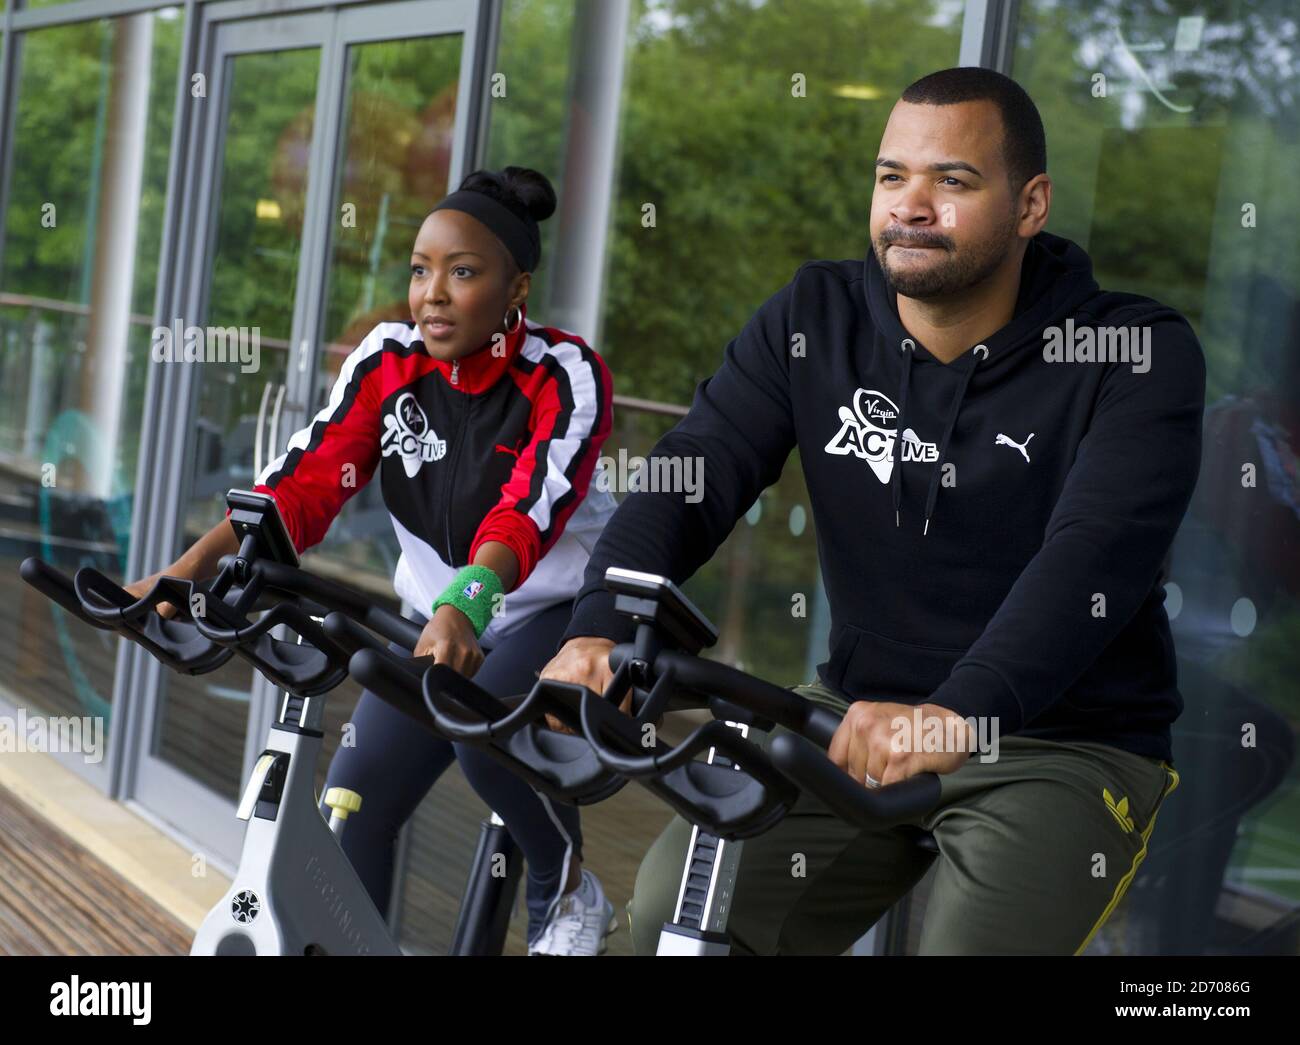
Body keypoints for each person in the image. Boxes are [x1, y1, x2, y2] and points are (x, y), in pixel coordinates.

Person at [541, 68, 1206, 955]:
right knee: (672, 913)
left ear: (1032, 203)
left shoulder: (1133, 352)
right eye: (893, 177)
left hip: (1057, 742)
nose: (911, 206)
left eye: (953, 181)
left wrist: (957, 713)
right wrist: (604, 622)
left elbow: (1095, 555)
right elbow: (690, 472)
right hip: (853, 716)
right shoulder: (814, 316)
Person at [129, 166, 620, 956]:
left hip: (550, 610)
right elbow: (304, 481)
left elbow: (526, 510)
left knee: (481, 731)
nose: (432, 292)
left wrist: (467, 604)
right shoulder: (389, 362)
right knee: (351, 799)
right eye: (421, 269)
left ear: (515, 288)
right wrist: (182, 574)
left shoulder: (563, 374)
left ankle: (566, 891)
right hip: (437, 618)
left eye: (463, 272)